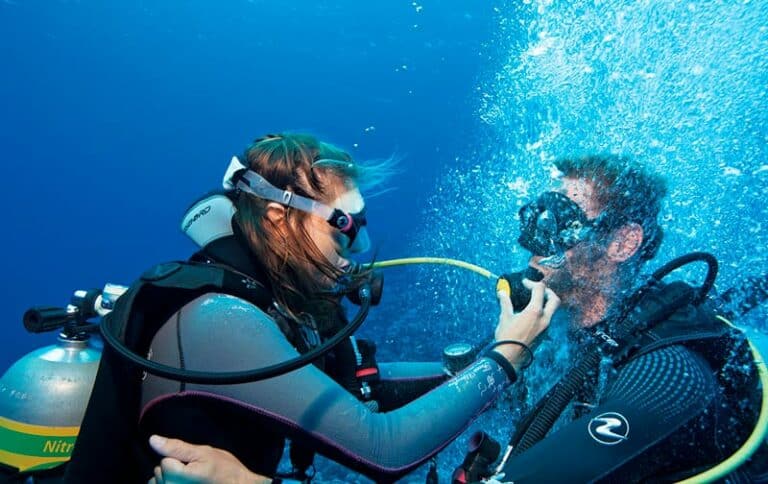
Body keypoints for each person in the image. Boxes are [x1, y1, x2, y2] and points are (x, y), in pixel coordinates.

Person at [148, 154, 768, 482]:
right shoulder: (564, 342)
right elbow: (456, 381)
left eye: (556, 221)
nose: (533, 239)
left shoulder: (669, 374)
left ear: (623, 242)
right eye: (533, 216)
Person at [63, 133, 559, 483]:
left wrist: (476, 364)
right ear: (279, 219)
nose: (359, 245)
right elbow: (382, 449)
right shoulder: (218, 318)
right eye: (343, 226)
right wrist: (504, 360)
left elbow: (355, 388)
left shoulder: (279, 300)